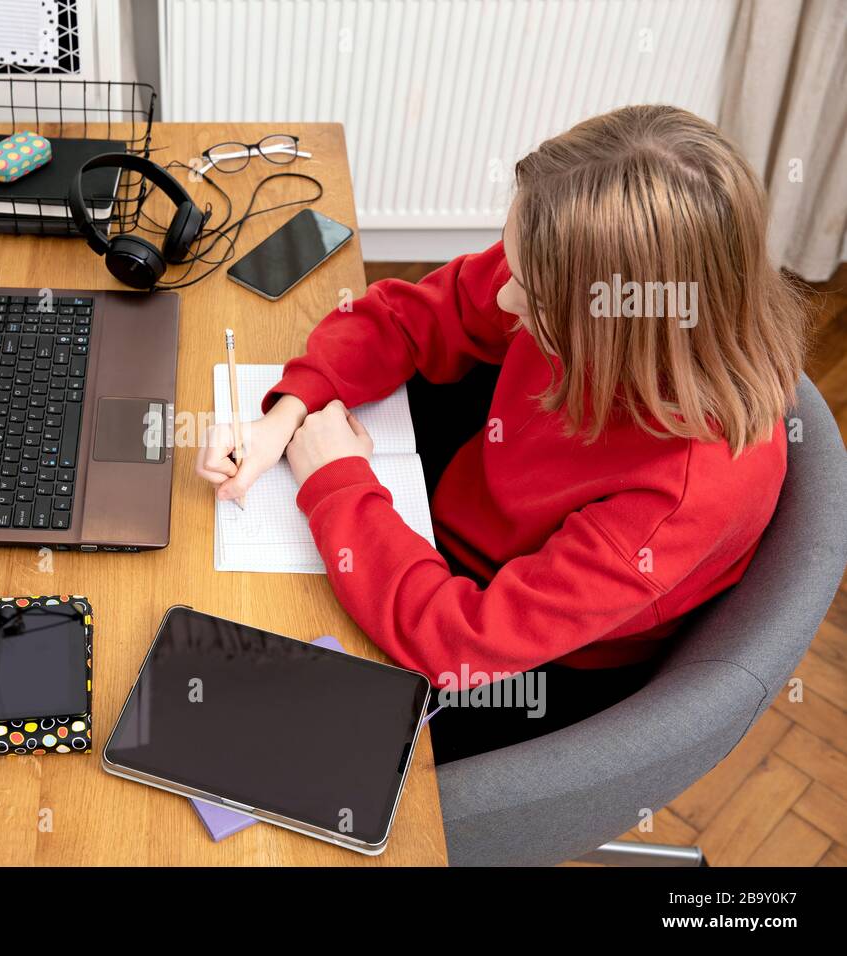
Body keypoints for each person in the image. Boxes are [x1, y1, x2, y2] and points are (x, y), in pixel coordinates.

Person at [196, 105, 809, 763]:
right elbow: (414, 316)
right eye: (514, 265)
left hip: (523, 668)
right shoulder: (585, 283)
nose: (507, 299)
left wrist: (335, 483)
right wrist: (286, 413)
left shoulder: (681, 495)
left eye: (536, 296)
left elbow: (458, 642)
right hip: (454, 533)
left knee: (251, 728)